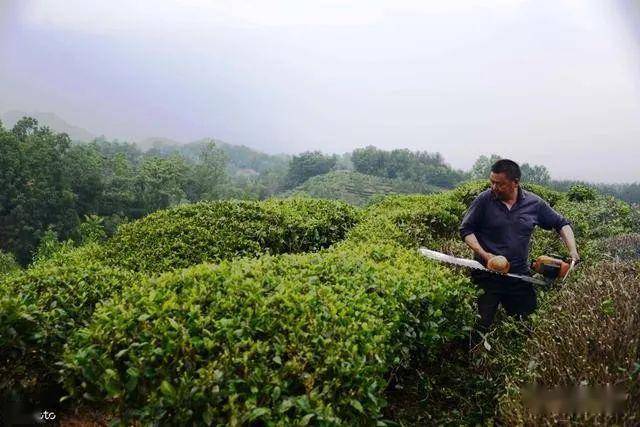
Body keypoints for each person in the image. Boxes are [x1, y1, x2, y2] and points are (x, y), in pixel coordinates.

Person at [459, 159, 579, 347]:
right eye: (492, 182)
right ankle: (471, 362)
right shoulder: (484, 200)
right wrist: (485, 255)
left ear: (515, 182)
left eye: (500, 184)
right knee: (477, 327)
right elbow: (466, 230)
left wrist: (573, 251)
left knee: (527, 326)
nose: (494, 187)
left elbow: (562, 223)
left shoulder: (534, 203)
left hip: (518, 277)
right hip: (486, 276)